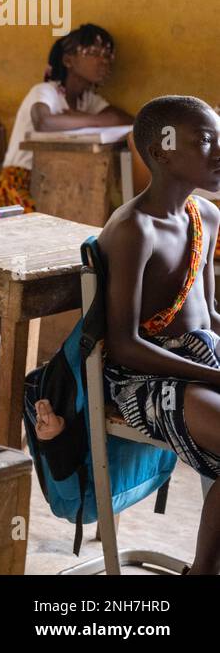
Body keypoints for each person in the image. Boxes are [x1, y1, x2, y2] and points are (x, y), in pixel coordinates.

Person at [78, 94, 220, 575]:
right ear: (161, 152)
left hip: (201, 363)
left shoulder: (207, 217)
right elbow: (123, 345)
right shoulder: (134, 229)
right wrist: (211, 376)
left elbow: (210, 314)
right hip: (141, 378)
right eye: (205, 140)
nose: (219, 151)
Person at [0, 24, 132, 212]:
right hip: (20, 182)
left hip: (61, 182)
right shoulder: (45, 91)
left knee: (95, 213)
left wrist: (82, 117)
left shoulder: (87, 100)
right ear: (69, 60)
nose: (104, 61)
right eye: (94, 53)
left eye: (108, 55)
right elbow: (44, 122)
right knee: (53, 224)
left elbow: (123, 118)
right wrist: (92, 119)